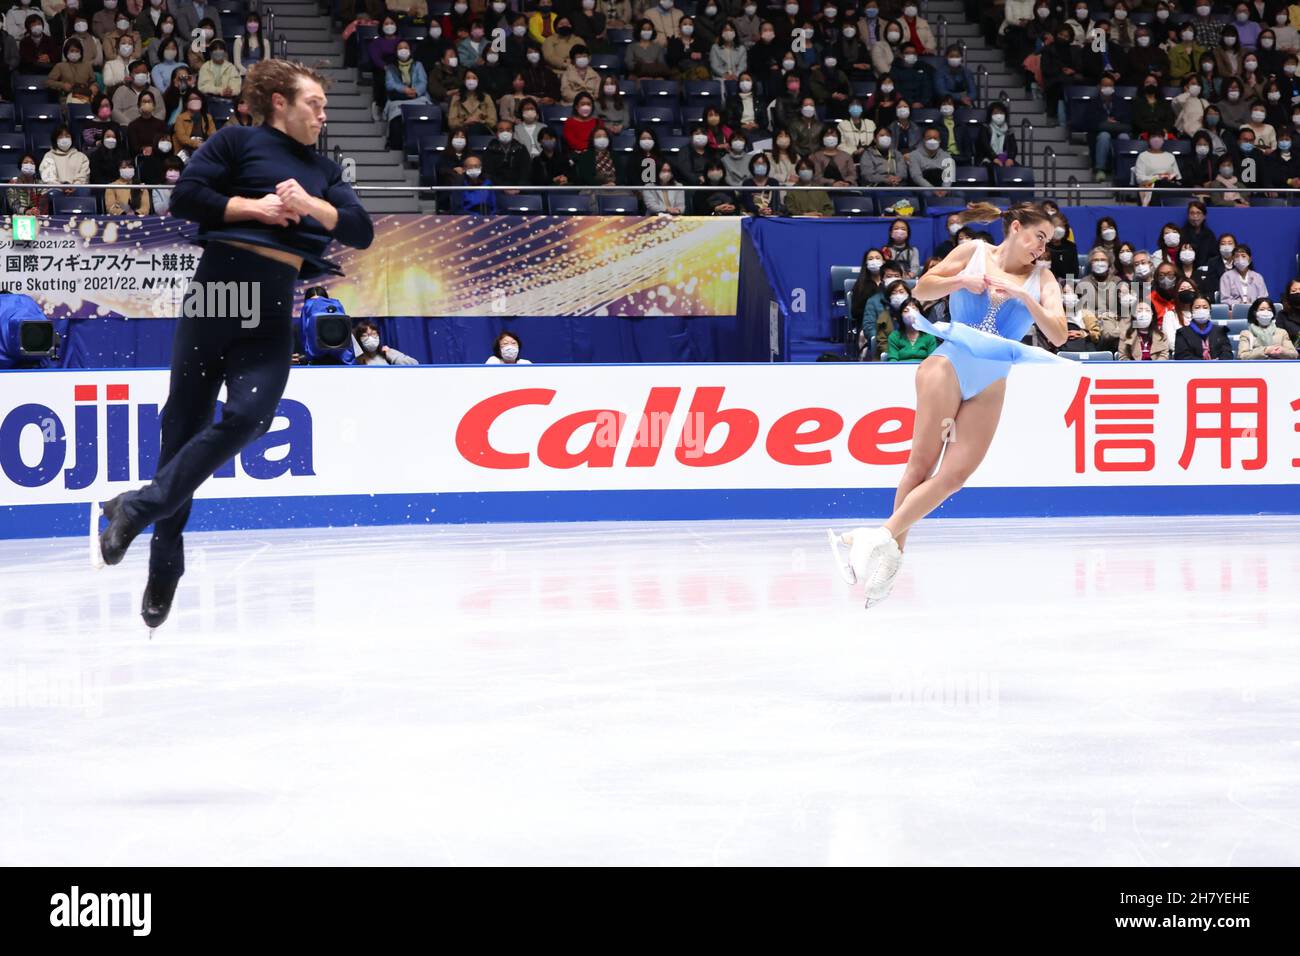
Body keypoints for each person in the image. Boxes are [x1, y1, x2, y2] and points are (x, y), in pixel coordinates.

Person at [95, 60, 374, 632]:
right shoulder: (236, 140)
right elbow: (187, 197)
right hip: (221, 293)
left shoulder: (322, 169)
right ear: (278, 102)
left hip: (272, 306)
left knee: (250, 417)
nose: (324, 114)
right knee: (182, 432)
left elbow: (359, 229)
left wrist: (309, 203)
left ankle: (137, 507)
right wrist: (257, 208)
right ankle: (165, 564)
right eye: (314, 103)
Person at [828, 203, 1068, 608]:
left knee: (954, 476)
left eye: (1047, 242)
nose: (1041, 249)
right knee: (921, 466)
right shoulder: (974, 250)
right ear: (1015, 228)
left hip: (991, 381)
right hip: (948, 366)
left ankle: (879, 537)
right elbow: (919, 291)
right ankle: (889, 559)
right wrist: (963, 280)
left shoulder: (1043, 279)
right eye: (1038, 237)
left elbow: (1059, 335)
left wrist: (1023, 299)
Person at [353, 320, 418, 365]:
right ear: (359, 339)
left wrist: (390, 354)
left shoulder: (386, 353)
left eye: (374, 334)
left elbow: (414, 364)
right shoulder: (355, 359)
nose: (370, 338)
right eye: (365, 335)